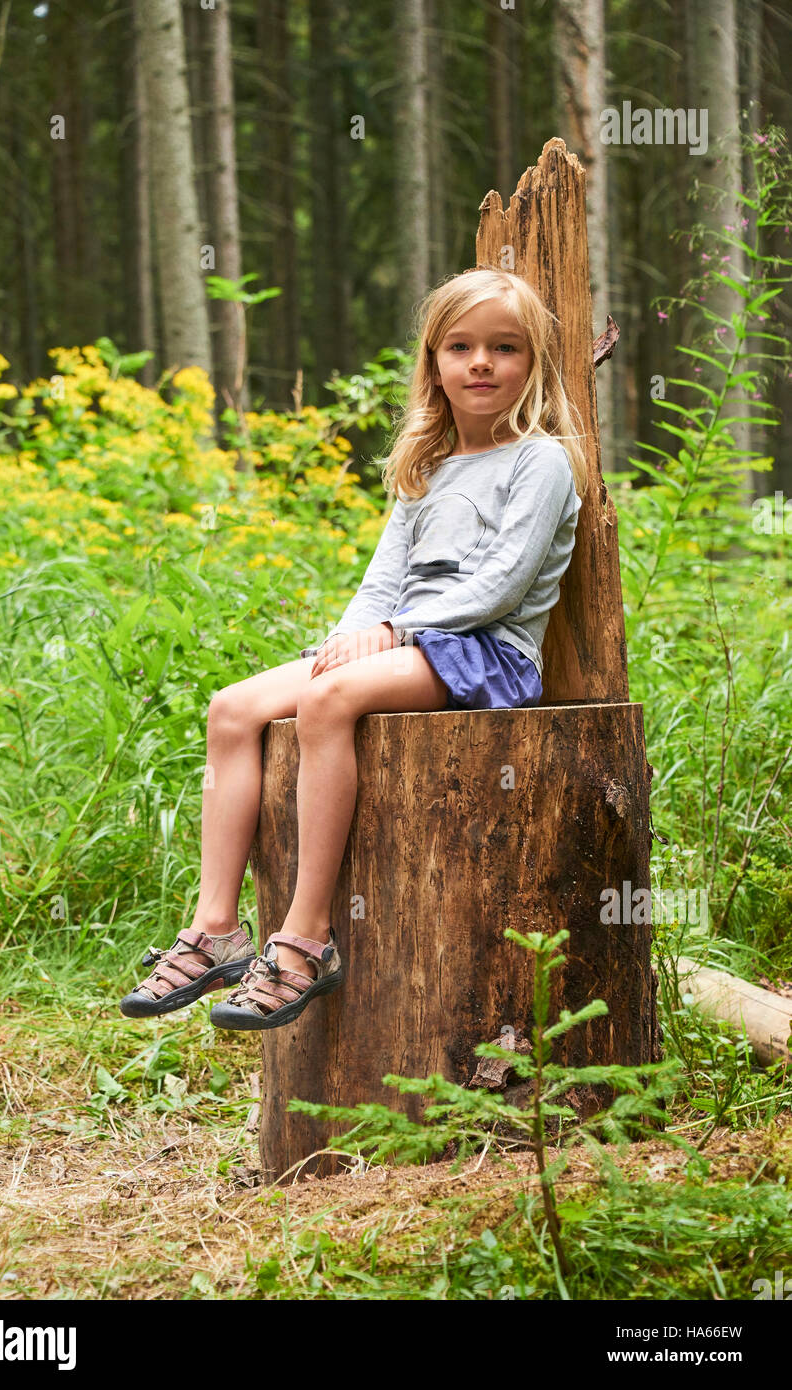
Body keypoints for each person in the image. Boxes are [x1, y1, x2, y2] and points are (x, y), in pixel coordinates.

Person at [119, 266, 587, 1031]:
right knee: (232, 709)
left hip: (484, 651)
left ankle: (305, 938)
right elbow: (381, 583)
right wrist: (348, 638)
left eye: (503, 349)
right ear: (433, 361)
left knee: (325, 699)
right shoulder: (425, 465)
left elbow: (501, 586)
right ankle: (215, 929)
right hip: (403, 642)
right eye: (460, 347)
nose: (479, 363)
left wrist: (391, 636)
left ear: (532, 363)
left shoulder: (538, 460)